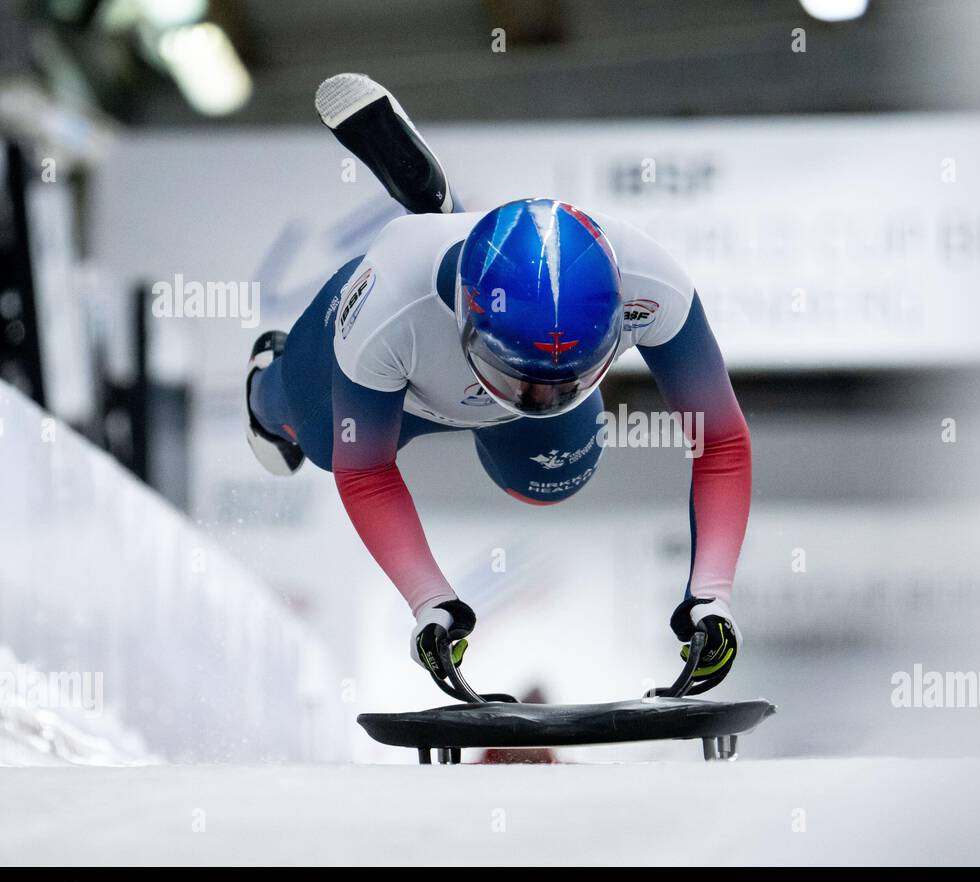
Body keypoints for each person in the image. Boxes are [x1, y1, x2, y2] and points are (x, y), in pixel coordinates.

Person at [244, 74, 750, 689]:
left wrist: (712, 598)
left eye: (568, 381)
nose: (546, 399)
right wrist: (431, 601)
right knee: (316, 443)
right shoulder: (388, 309)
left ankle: (447, 216)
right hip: (400, 372)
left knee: (549, 480)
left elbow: (720, 440)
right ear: (466, 324)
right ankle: (273, 372)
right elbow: (366, 471)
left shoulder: (653, 281)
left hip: (458, 368)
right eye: (529, 380)